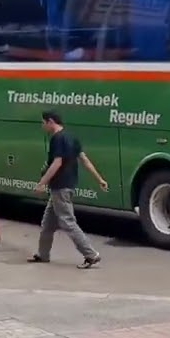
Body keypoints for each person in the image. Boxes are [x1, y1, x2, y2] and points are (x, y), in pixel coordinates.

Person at [28, 111, 109, 268]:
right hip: (66, 185)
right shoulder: (72, 137)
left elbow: (57, 163)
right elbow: (85, 160)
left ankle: (91, 255)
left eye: (43, 122)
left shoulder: (57, 139)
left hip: (60, 186)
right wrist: (99, 179)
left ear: (50, 121)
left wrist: (42, 183)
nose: (42, 126)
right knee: (47, 223)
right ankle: (43, 254)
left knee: (67, 221)